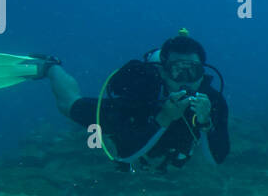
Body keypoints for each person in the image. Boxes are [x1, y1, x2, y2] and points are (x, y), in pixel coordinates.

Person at [41, 31, 230, 172]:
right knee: (69, 105)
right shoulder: (142, 91)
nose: (185, 79)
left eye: (193, 71)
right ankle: (51, 67)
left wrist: (205, 122)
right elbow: (126, 155)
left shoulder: (213, 101)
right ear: (163, 71)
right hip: (134, 116)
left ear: (203, 72)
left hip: (168, 148)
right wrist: (164, 117)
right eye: (177, 70)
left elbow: (217, 159)